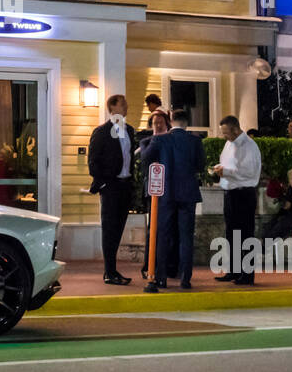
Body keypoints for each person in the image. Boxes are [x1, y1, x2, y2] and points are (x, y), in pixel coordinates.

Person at [141, 109, 205, 288]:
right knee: (186, 236)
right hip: (188, 193)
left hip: (166, 193)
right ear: (187, 122)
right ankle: (185, 278)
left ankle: (161, 276)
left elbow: (145, 159)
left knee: (164, 235)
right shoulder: (195, 141)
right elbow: (200, 166)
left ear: (171, 120)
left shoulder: (161, 140)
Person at [88, 94, 135, 285]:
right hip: (111, 186)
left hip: (125, 185)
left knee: (119, 228)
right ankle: (109, 271)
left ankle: (114, 270)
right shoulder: (102, 131)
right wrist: (105, 181)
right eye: (123, 104)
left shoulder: (129, 130)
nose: (126, 107)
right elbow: (93, 162)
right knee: (109, 228)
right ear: (112, 108)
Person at [211, 115, 262, 285]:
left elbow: (249, 172)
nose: (224, 136)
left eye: (226, 132)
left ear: (235, 129)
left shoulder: (249, 146)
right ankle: (233, 270)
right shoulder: (228, 144)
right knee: (231, 234)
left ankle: (247, 275)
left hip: (244, 194)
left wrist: (225, 172)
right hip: (230, 193)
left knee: (245, 234)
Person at [138, 110, 176, 280]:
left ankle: (169, 265)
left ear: (168, 124)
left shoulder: (173, 141)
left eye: (161, 122)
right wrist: (157, 138)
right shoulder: (147, 141)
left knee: (171, 229)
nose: (158, 125)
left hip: (171, 189)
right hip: (153, 191)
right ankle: (150, 265)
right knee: (152, 229)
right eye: (155, 123)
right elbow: (145, 160)